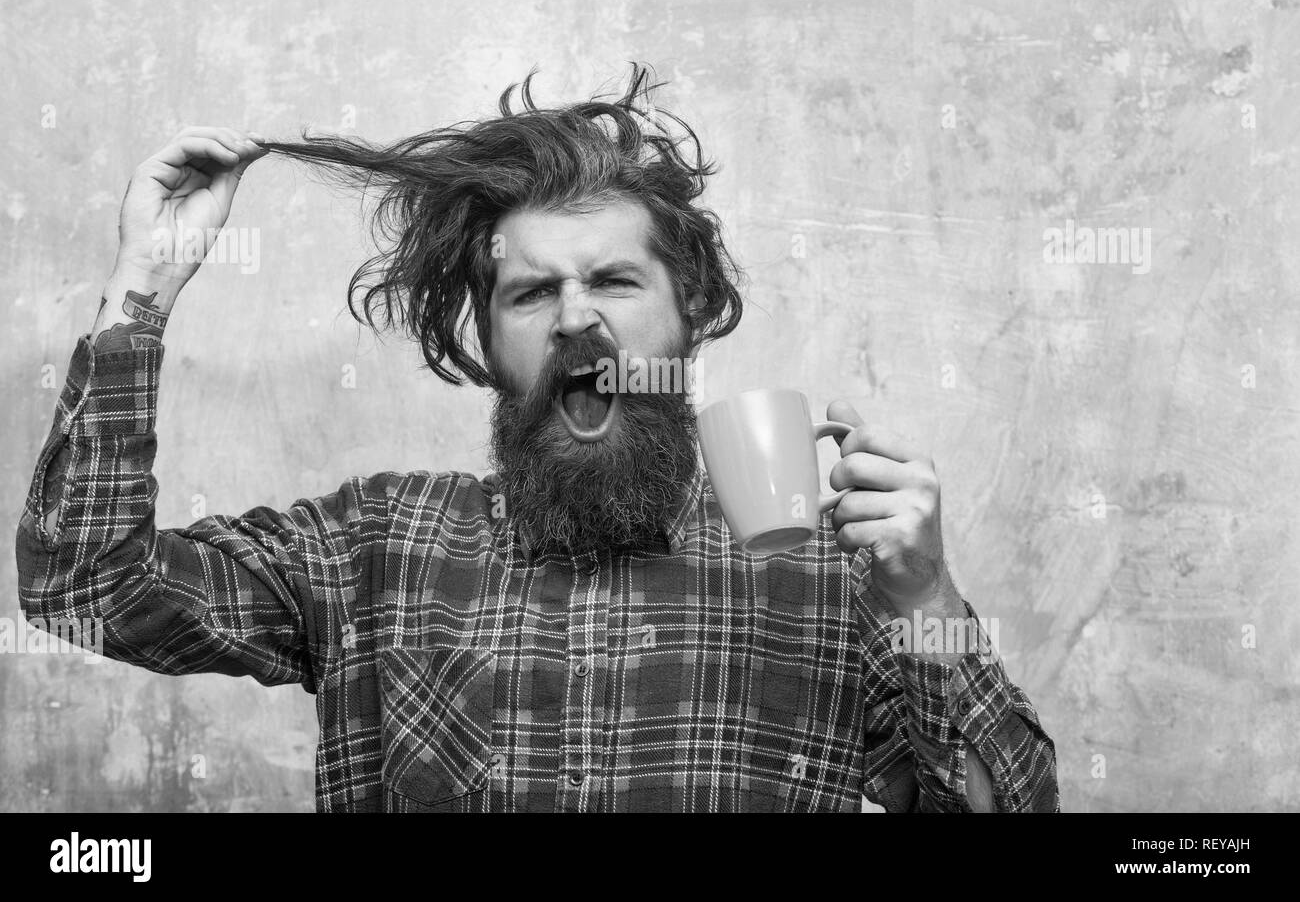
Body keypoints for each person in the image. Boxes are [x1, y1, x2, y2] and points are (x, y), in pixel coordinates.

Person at [15, 66, 1059, 812]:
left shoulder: (823, 572)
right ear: (486, 335)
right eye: (530, 292)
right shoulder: (375, 545)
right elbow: (85, 586)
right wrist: (141, 292)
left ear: (687, 304)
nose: (573, 318)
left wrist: (926, 599)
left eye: (612, 280)